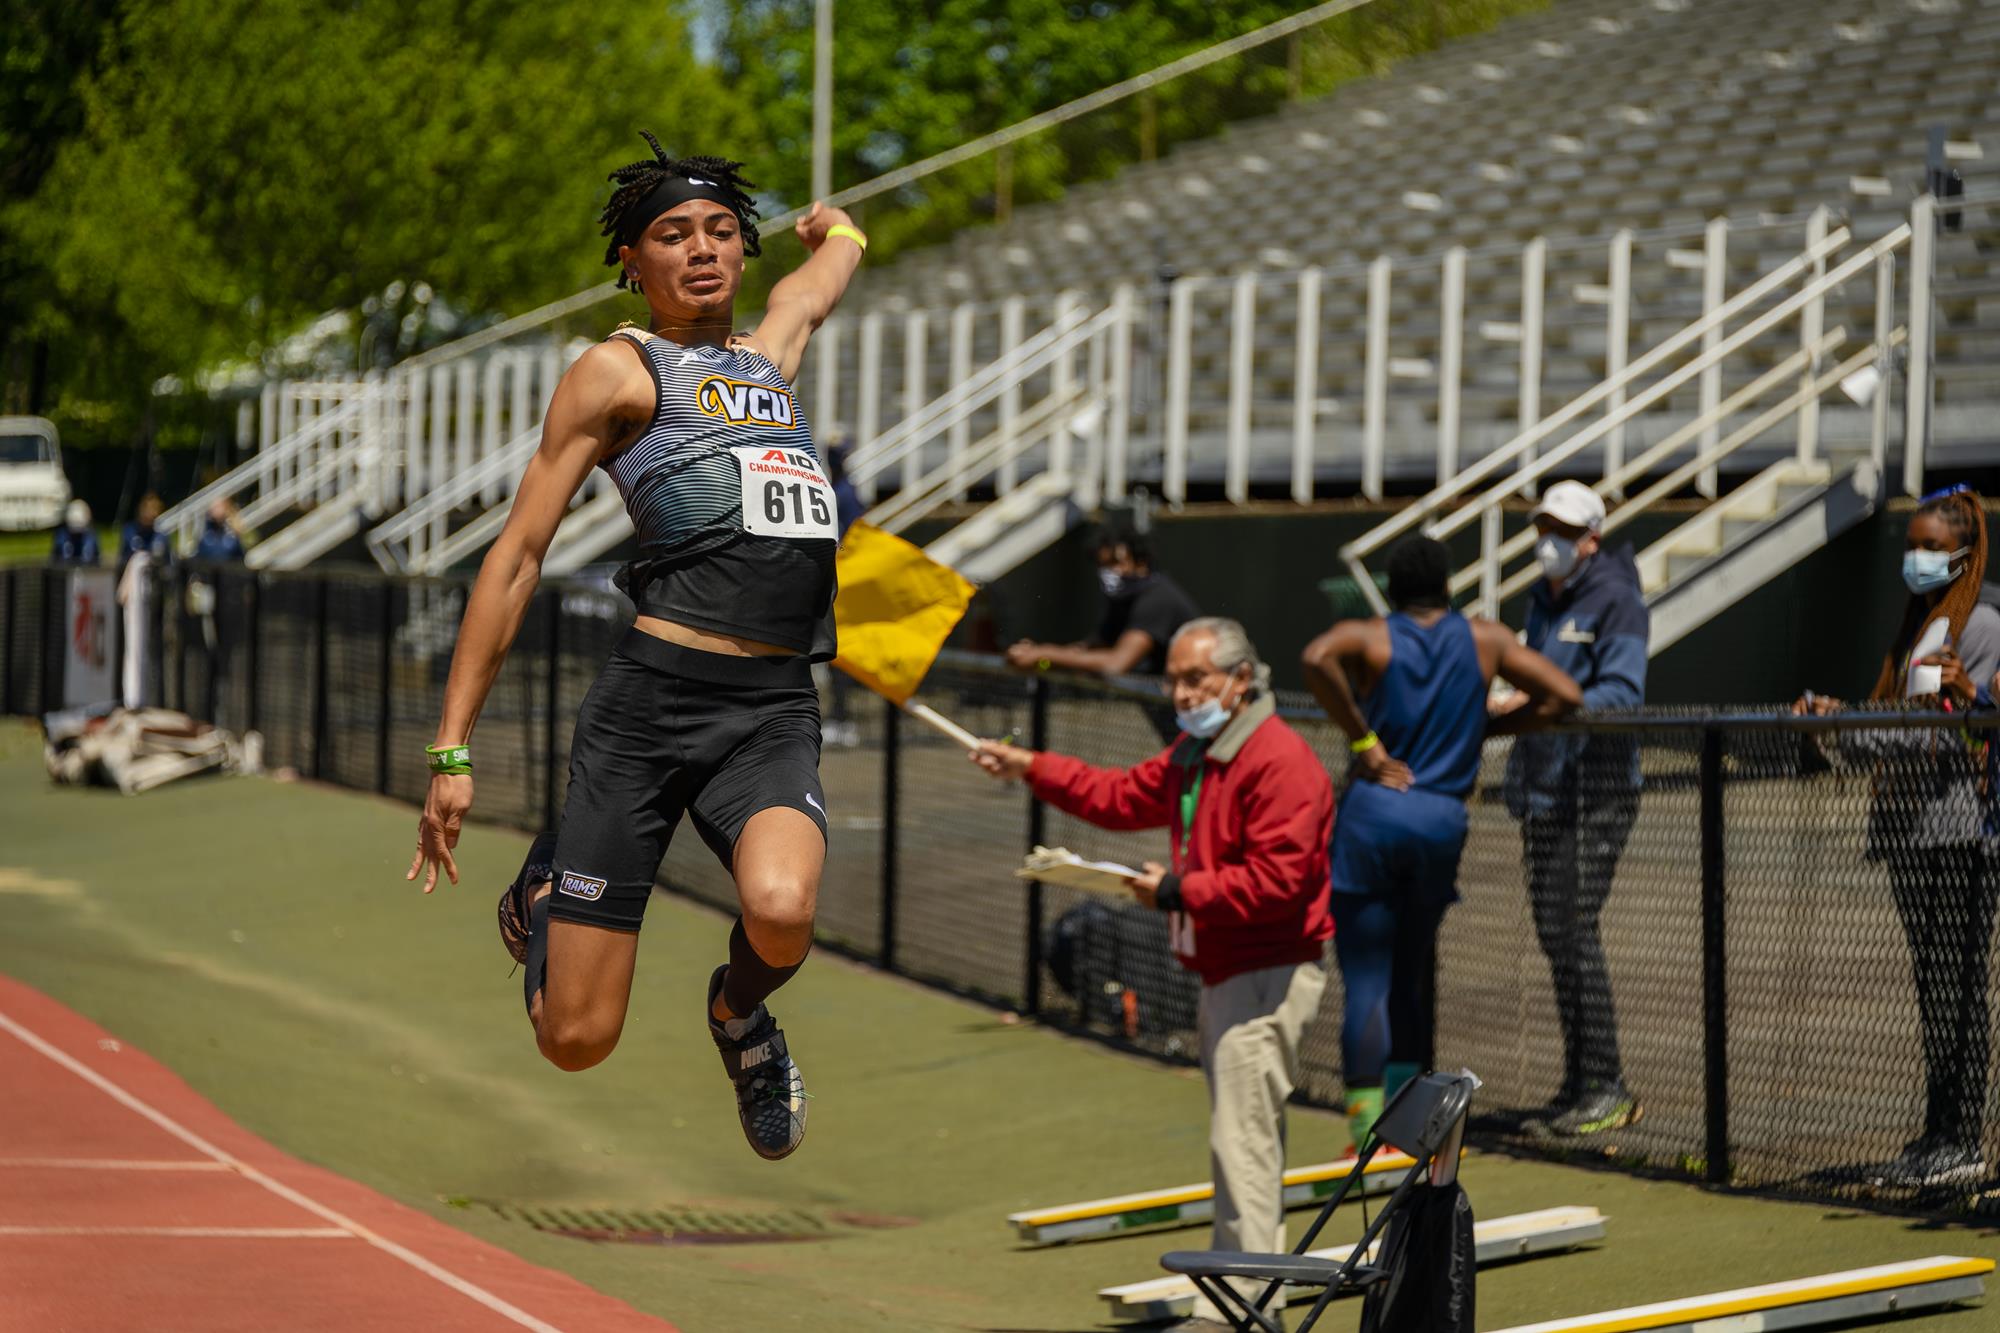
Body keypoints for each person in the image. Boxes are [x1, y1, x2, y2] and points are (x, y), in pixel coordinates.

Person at [403, 132, 866, 1161]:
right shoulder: (614, 374)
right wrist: (451, 750)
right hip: (649, 712)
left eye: (718, 233)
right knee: (575, 1042)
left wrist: (834, 229)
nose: (701, 252)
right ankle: (546, 879)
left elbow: (826, 274)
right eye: (672, 235)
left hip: (769, 713)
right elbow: (517, 558)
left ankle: (739, 1018)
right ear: (632, 260)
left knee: (782, 910)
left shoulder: (767, 355)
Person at [972, 618, 1332, 1329]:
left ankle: (1247, 1310)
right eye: (1173, 677)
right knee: (1243, 1139)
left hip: (1264, 969)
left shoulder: (1279, 760)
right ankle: (1244, 1299)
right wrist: (1031, 766)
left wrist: (1175, 890)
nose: (1180, 690)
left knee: (1245, 1142)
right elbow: (1118, 794)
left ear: (1240, 678)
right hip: (1230, 968)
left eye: (1194, 677)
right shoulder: (1201, 750)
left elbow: (1280, 882)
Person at [1300, 536, 1580, 1147]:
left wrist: (1364, 743)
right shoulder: (1486, 638)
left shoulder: (1374, 636)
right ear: (1448, 586)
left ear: (1392, 591)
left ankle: (1362, 1134)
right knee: (1410, 974)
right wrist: (1491, 727)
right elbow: (1566, 696)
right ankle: (1408, 1131)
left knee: (1367, 980)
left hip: (1374, 814)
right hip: (1441, 820)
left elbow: (1316, 656)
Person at [1796, 484, 2000, 1189]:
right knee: (1932, 990)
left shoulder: (1977, 621)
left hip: (1956, 832)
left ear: (1965, 552)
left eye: (1932, 548)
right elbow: (1899, 723)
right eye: (1910, 546)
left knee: (1959, 990)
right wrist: (1843, 721)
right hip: (1910, 831)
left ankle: (1961, 1139)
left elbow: (1931, 734)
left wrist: (1846, 725)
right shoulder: (1921, 622)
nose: (1915, 558)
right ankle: (1937, 1131)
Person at [1493, 480, 1649, 1137]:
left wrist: (1533, 707)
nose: (1546, 541)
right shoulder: (1539, 598)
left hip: (1598, 791)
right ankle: (1579, 1079)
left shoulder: (1616, 599)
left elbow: (1621, 691)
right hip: (1545, 790)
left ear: (1591, 537)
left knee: (1574, 928)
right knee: (1558, 935)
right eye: (1540, 527)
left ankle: (1609, 1085)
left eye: (1560, 529)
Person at [1006, 529, 1198, 680]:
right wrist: (1035, 654)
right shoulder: (1121, 599)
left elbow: (1115, 664)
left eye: (1116, 562)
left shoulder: (1157, 600)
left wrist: (1044, 653)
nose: (1110, 572)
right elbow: (1090, 649)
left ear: (1141, 561)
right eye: (1103, 565)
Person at [117, 493, 170, 578]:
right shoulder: (129, 531)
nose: (150, 515)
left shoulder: (161, 536)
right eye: (148, 511)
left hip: (155, 579)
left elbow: (168, 562)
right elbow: (122, 559)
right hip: (132, 578)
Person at [50, 500, 99, 565]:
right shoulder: (61, 538)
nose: (76, 536)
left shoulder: (91, 538)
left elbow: (97, 561)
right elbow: (54, 561)